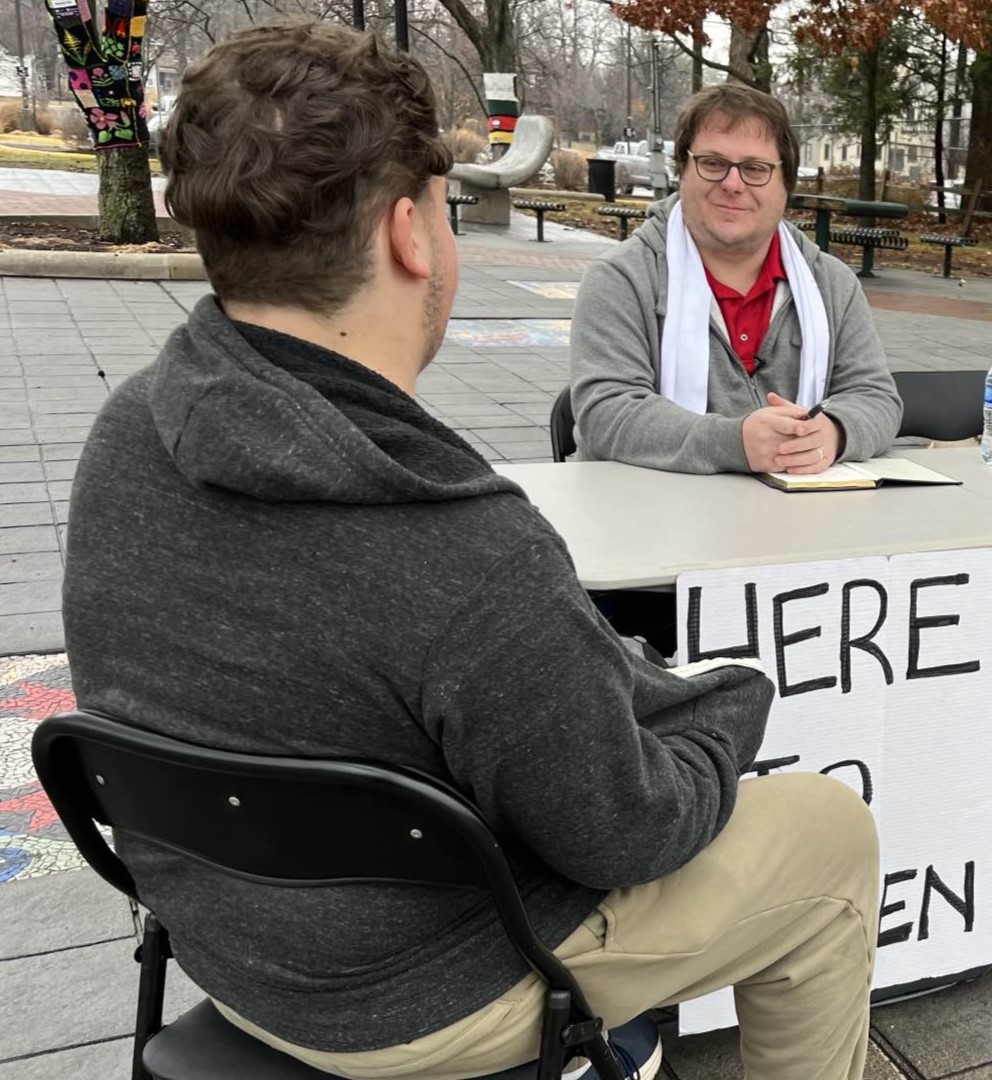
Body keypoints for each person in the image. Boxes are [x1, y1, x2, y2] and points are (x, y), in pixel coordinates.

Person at [62, 24, 879, 1080]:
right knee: (826, 832)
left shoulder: (128, 434)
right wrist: (725, 708)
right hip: (428, 993)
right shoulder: (458, 539)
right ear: (410, 233)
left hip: (219, 946)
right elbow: (626, 831)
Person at [569, 83, 903, 477]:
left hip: (797, 520)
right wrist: (733, 442)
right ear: (684, 171)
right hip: (646, 517)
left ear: (786, 186)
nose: (732, 183)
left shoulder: (832, 284)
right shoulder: (621, 279)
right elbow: (606, 412)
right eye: (712, 163)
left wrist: (834, 432)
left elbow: (876, 397)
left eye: (755, 169)